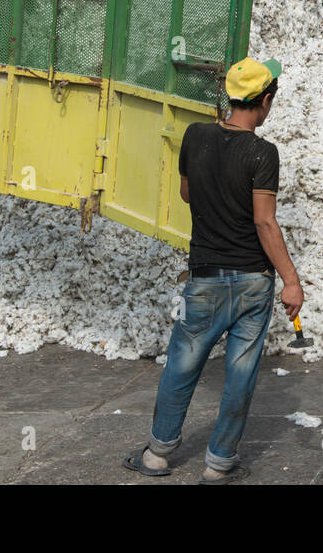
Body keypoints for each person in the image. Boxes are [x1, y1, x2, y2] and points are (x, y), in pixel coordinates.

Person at [124, 56, 303, 484]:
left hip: (203, 280)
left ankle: (157, 455)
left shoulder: (195, 137)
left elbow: (187, 194)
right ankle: (219, 465)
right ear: (264, 100)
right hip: (252, 284)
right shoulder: (263, 154)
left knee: (181, 366)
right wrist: (291, 280)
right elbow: (264, 221)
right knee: (240, 373)